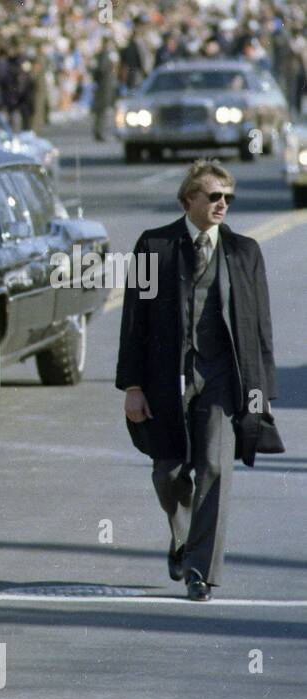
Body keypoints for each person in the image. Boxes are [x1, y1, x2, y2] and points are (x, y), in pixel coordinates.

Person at [117, 160, 282, 601]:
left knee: (213, 467)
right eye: (213, 196)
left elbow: (258, 327)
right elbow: (134, 319)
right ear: (188, 199)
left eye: (227, 197)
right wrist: (132, 386)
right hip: (164, 380)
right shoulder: (153, 247)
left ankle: (200, 571)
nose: (222, 204)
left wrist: (260, 392)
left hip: (222, 378)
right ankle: (183, 538)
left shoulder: (245, 252)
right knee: (168, 474)